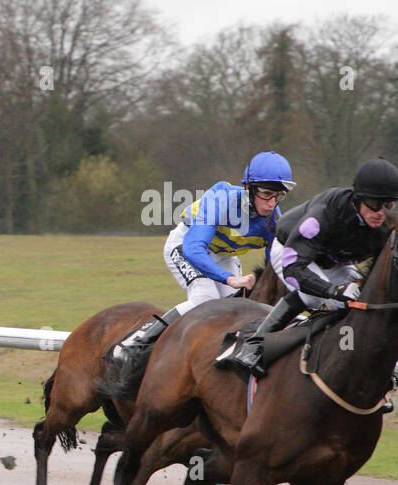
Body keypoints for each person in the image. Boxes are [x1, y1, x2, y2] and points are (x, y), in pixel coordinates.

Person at [216, 157, 398, 377]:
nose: (380, 212)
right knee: (315, 298)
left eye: (387, 205)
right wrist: (334, 290)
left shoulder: (384, 225)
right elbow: (295, 271)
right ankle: (254, 345)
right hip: (291, 252)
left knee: (360, 303)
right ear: (357, 199)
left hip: (332, 260)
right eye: (374, 204)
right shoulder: (325, 213)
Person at [111, 151, 294, 363]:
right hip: (186, 245)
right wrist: (230, 279)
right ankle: (139, 343)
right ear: (248, 188)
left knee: (236, 308)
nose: (272, 203)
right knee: (204, 300)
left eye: (278, 196)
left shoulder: (274, 220)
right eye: (266, 194)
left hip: (222, 256)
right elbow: (194, 248)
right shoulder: (220, 198)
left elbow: (277, 267)